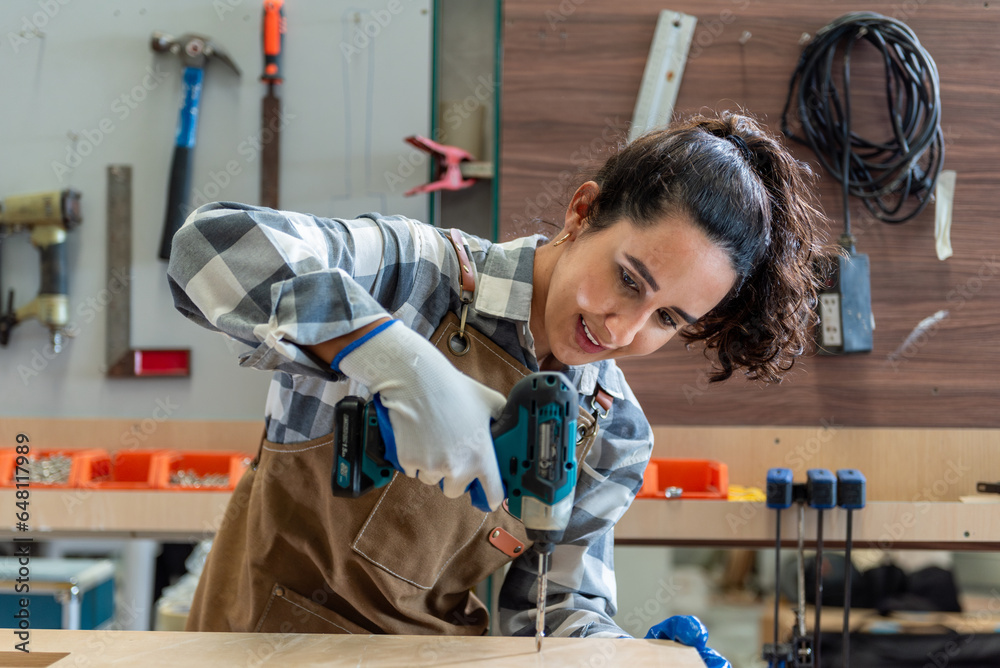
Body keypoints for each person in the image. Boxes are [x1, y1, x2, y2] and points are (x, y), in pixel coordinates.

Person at [167, 111, 827, 663]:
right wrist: (394, 357)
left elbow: (549, 604)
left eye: (669, 319)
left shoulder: (614, 429)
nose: (625, 330)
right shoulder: (417, 275)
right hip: (257, 651)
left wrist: (618, 655)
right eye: (629, 279)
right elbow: (207, 247)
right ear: (583, 212)